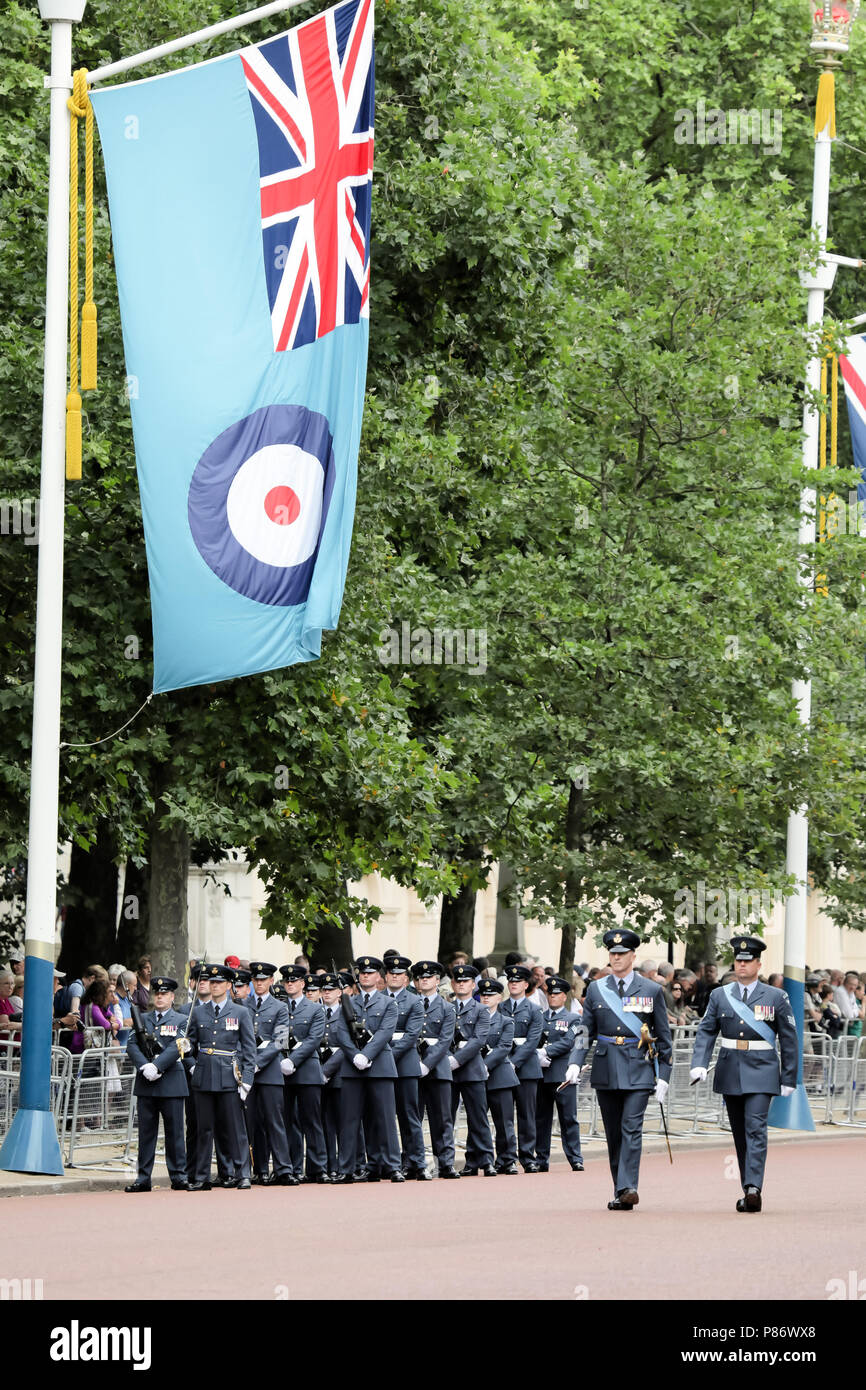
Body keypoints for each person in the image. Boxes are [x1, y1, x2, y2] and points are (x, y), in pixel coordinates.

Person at [690, 935, 798, 1213]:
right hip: (730, 1069)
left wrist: (789, 1076)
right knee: (740, 1133)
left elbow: (788, 1038)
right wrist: (699, 1062)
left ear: (758, 964)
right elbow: (706, 1030)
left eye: (747, 961)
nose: (741, 965)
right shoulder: (720, 995)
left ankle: (753, 1188)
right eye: (738, 960)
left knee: (756, 1129)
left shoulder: (776, 996)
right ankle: (747, 1186)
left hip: (762, 1069)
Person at [566, 928, 672, 1210]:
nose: (616, 958)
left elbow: (663, 1036)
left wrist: (665, 1076)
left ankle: (629, 1186)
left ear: (632, 956)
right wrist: (575, 1062)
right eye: (612, 953)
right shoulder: (598, 988)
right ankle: (620, 1189)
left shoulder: (651, 990)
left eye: (621, 954)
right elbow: (585, 1031)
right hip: (606, 1066)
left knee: (631, 1128)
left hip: (639, 1067)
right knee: (613, 1132)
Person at [330, 956, 403, 1183]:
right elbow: (341, 1032)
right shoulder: (348, 1002)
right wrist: (355, 1055)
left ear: (378, 977)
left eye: (370, 973)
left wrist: (367, 1054)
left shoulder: (388, 1003)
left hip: (379, 1065)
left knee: (385, 1119)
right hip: (353, 1068)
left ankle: (392, 1166)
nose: (365, 976)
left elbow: (385, 1033)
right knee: (349, 1120)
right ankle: (347, 1168)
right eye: (362, 973)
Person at [185, 964, 256, 1190]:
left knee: (236, 1129)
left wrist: (246, 1080)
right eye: (211, 982)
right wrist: (192, 1065)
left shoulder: (240, 1012)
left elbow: (249, 1048)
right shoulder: (197, 1012)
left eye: (218, 983)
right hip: (204, 1075)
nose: (214, 986)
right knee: (203, 1129)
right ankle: (202, 1176)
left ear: (227, 985)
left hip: (228, 1074)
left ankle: (243, 1173)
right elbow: (189, 1046)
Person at [125, 976, 189, 1192]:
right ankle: (143, 1178)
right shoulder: (142, 1018)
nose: (160, 997)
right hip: (147, 1083)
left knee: (175, 1133)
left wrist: (158, 1066)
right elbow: (132, 1045)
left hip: (171, 1081)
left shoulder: (181, 1019)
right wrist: (144, 1066)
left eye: (164, 994)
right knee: (146, 1134)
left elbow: (178, 1045)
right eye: (157, 993)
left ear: (172, 997)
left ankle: (179, 1176)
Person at [277, 964, 329, 1182]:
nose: (290, 984)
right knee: (288, 1121)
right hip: (283, 1071)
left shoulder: (315, 1008)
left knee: (312, 1121)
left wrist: (293, 1060)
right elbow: (279, 1040)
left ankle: (318, 1168)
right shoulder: (279, 1008)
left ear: (302, 983)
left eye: (294, 980)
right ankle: (292, 1168)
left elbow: (314, 1040)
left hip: (307, 1069)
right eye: (287, 981)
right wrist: (283, 1060)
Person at [243, 962, 294, 1185]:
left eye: (264, 980)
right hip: (248, 1071)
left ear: (271, 981)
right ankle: (260, 1169)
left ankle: (284, 1168)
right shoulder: (243, 1006)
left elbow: (280, 1041)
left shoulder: (280, 1007)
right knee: (252, 1122)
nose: (260, 983)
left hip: (270, 1069)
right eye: (256, 980)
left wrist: (257, 1063)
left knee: (275, 1122)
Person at [411, 960, 460, 1178]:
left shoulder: (447, 1008)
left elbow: (445, 1040)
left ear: (437, 981)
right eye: (421, 978)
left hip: (437, 1067)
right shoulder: (410, 1004)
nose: (424, 980)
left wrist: (427, 1064)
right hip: (412, 1066)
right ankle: (415, 1161)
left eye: (429, 977)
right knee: (413, 1118)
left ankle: (446, 1162)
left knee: (442, 1119)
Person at [448, 963, 495, 1176]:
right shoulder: (445, 1007)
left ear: (473, 985)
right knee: (446, 1117)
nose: (461, 984)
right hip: (446, 1068)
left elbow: (478, 1040)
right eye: (458, 981)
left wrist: (456, 1060)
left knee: (478, 1118)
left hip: (471, 1069)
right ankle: (447, 1162)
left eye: (465, 981)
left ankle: (485, 1160)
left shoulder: (481, 1009)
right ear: (452, 984)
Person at [383, 956, 427, 1179]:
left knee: (409, 1116)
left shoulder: (414, 1001)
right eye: (391, 973)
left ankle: (417, 1162)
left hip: (404, 1062)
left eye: (399, 974)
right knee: (383, 1116)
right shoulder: (377, 998)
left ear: (406, 979)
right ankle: (386, 1162)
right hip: (380, 1064)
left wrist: (388, 1053)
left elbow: (411, 1035)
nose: (394, 976)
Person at [535, 975, 584, 1172]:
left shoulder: (573, 1018)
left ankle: (575, 1158)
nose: (553, 997)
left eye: (557, 994)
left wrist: (545, 1051)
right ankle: (541, 1159)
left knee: (568, 1118)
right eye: (550, 994)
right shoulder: (539, 1016)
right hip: (540, 1075)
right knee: (541, 1119)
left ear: (565, 997)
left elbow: (569, 1041)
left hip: (562, 1076)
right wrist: (534, 1052)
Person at [499, 963, 543, 1172]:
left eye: (518, 982)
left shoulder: (535, 1009)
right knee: (504, 1114)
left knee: (527, 1114)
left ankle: (528, 1157)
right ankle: (507, 1158)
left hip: (526, 1067)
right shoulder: (500, 1007)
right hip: (503, 1066)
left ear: (526, 984)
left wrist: (514, 1062)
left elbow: (533, 1040)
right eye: (511, 981)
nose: (513, 984)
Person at [478, 978, 518, 1174]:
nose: (486, 997)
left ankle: (508, 1159)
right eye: (483, 994)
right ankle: (480, 1159)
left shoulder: (506, 1021)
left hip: (499, 1075)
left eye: (491, 995)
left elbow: (504, 1047)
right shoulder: (474, 1018)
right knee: (477, 1121)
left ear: (499, 998)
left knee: (504, 1122)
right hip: (476, 1075)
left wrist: (484, 1065)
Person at [318, 973, 345, 1179]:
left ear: (339, 992)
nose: (327, 993)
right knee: (325, 1122)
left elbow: (347, 1046)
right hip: (317, 1072)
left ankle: (345, 1164)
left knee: (344, 1122)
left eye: (331, 990)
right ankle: (329, 1164)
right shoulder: (317, 1012)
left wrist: (326, 1071)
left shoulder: (346, 1014)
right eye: (324, 990)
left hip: (340, 1073)